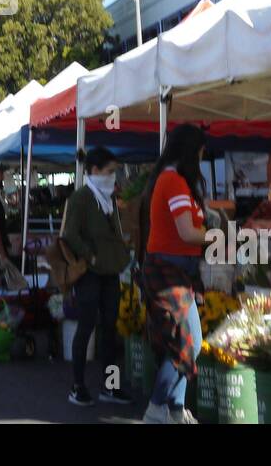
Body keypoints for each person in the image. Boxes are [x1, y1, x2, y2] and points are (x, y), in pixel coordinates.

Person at [138, 125, 208, 424]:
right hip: (169, 272)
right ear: (192, 152)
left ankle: (175, 409)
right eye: (201, 151)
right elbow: (187, 232)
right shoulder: (173, 181)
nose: (204, 156)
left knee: (186, 340)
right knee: (186, 343)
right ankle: (157, 408)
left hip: (175, 272)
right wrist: (220, 236)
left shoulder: (172, 180)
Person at [61, 147, 132, 407]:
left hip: (111, 272)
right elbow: (70, 234)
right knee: (87, 328)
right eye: (109, 171)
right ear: (94, 171)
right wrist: (90, 256)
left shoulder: (109, 199)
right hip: (90, 274)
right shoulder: (81, 198)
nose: (113, 177)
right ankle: (77, 385)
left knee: (110, 330)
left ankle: (109, 386)